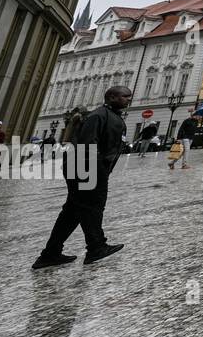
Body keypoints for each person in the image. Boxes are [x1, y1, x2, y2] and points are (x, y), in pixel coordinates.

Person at [33, 86, 130, 269]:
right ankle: (96, 247)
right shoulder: (99, 115)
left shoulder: (111, 116)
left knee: (72, 212)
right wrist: (97, 169)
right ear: (111, 97)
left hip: (88, 167)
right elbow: (88, 145)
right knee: (92, 207)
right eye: (124, 96)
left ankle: (50, 254)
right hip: (86, 167)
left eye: (129, 97)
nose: (128, 99)